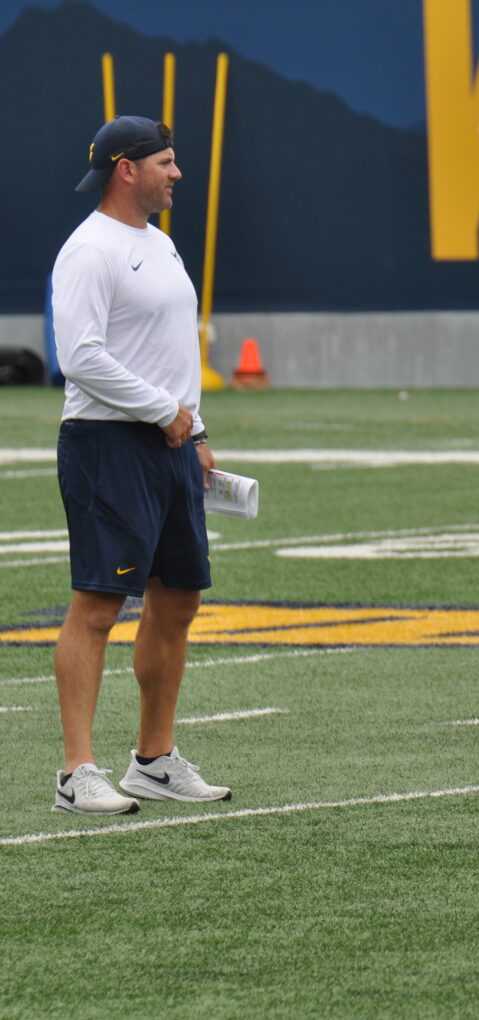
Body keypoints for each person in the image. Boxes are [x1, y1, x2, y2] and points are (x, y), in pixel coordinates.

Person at [50, 116, 233, 814]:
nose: (176, 172)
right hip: (108, 445)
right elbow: (82, 357)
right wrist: (165, 412)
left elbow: (171, 348)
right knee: (98, 604)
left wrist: (196, 428)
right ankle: (76, 771)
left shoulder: (159, 243)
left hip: (170, 444)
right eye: (165, 161)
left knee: (178, 599)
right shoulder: (90, 250)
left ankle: (153, 760)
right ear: (126, 169)